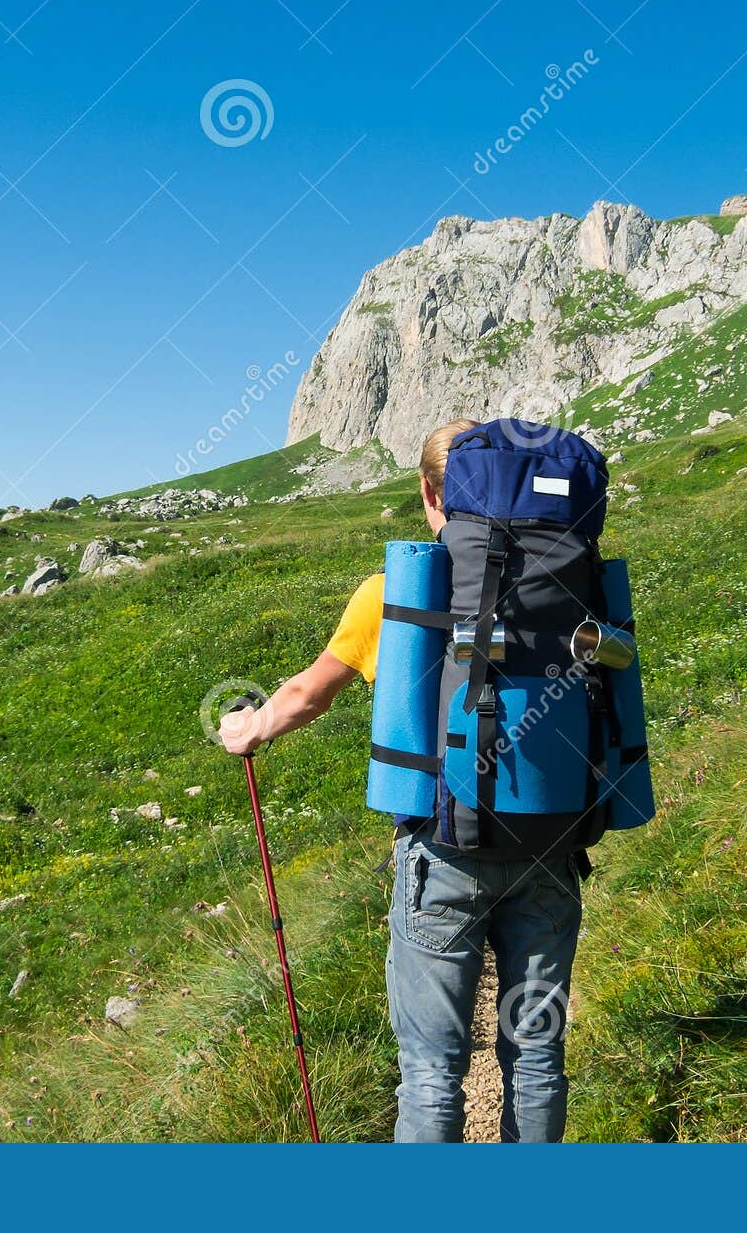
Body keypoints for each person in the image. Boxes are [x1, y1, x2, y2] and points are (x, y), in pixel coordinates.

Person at [219, 418, 588, 1143]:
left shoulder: (390, 592)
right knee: (537, 1054)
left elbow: (306, 697)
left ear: (429, 493)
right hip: (551, 842)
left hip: (440, 852)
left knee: (431, 1069)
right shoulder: (567, 590)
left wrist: (249, 728)